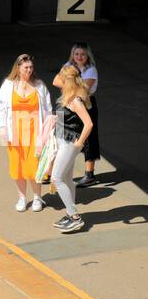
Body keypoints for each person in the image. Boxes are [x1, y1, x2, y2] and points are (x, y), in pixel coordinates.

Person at [0, 54, 54, 213]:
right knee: (18, 167)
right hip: (15, 133)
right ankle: (22, 198)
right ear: (18, 68)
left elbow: (48, 110)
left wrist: (48, 132)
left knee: (34, 167)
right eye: (26, 67)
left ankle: (37, 197)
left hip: (36, 133)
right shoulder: (8, 85)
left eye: (31, 67)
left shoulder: (39, 86)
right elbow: (0, 106)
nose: (29, 70)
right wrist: (1, 127)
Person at [47, 66, 94, 233]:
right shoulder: (68, 94)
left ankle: (75, 217)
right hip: (61, 140)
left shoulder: (75, 100)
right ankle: (70, 213)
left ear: (68, 81)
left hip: (69, 144)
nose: (59, 79)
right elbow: (55, 80)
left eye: (63, 77)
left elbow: (89, 124)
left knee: (57, 179)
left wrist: (79, 143)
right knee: (67, 180)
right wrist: (66, 68)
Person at [54, 44, 101, 187]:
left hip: (85, 103)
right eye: (76, 54)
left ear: (88, 56)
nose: (79, 57)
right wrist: (73, 84)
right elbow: (56, 80)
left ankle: (89, 174)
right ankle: (54, 170)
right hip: (67, 100)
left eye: (83, 54)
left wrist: (68, 83)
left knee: (88, 137)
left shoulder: (91, 70)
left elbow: (84, 90)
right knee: (61, 133)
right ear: (72, 55)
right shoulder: (68, 65)